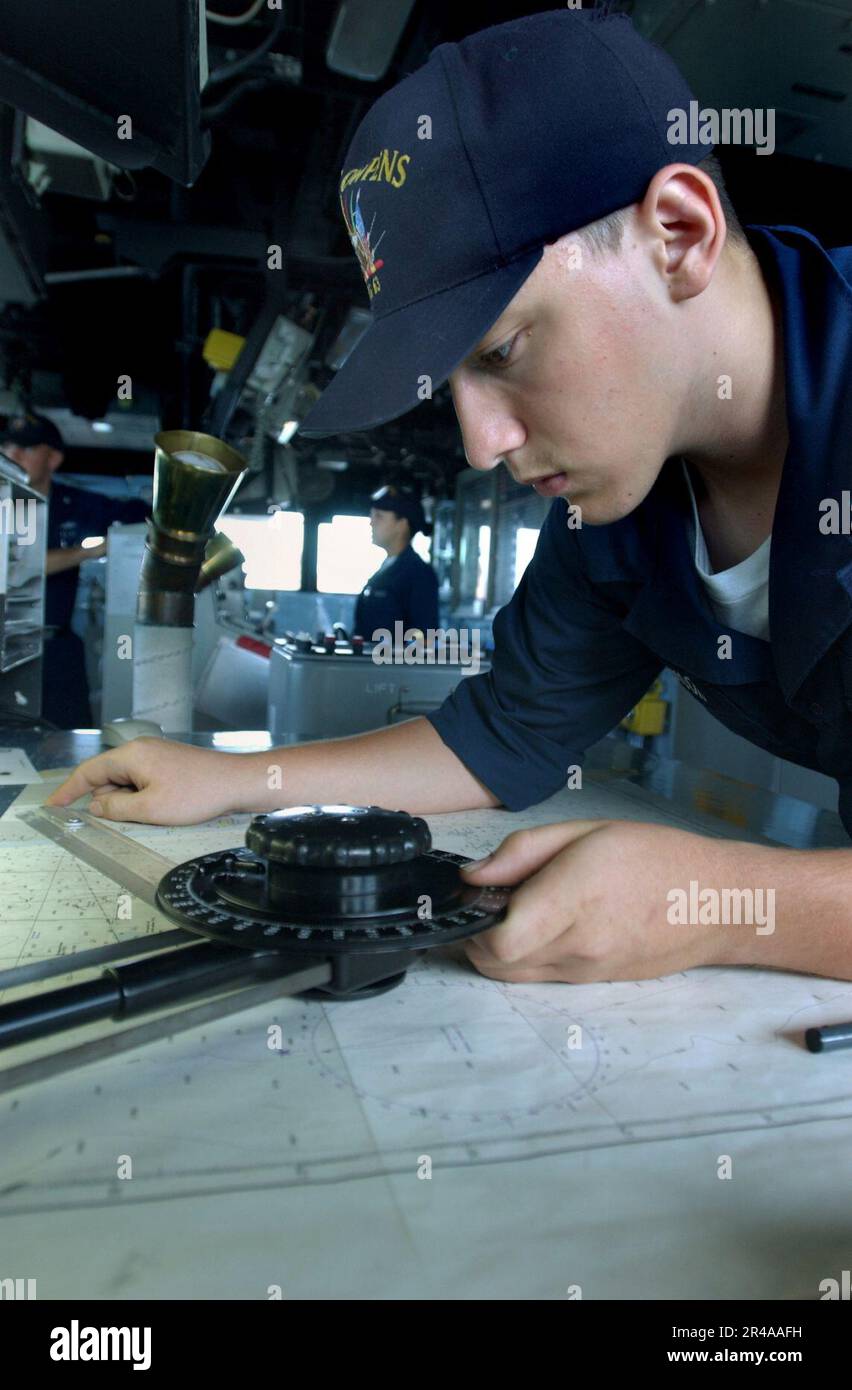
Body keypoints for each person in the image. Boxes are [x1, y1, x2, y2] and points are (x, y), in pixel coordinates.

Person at [48, 9, 852, 983]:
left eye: (504, 350)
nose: (480, 445)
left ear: (677, 233)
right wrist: (229, 780)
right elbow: (498, 736)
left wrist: (724, 907)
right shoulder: (621, 514)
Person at [0, 412, 148, 726]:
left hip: (56, 649)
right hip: (6, 646)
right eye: (6, 447)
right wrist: (92, 550)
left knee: (65, 741)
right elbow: (14, 570)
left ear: (52, 458)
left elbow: (140, 514)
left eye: (25, 449)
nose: (11, 455)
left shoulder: (72, 503)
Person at [353, 484, 439, 641]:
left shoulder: (418, 574)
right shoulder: (386, 568)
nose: (371, 522)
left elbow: (425, 638)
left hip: (392, 664)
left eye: (379, 516)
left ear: (402, 524)